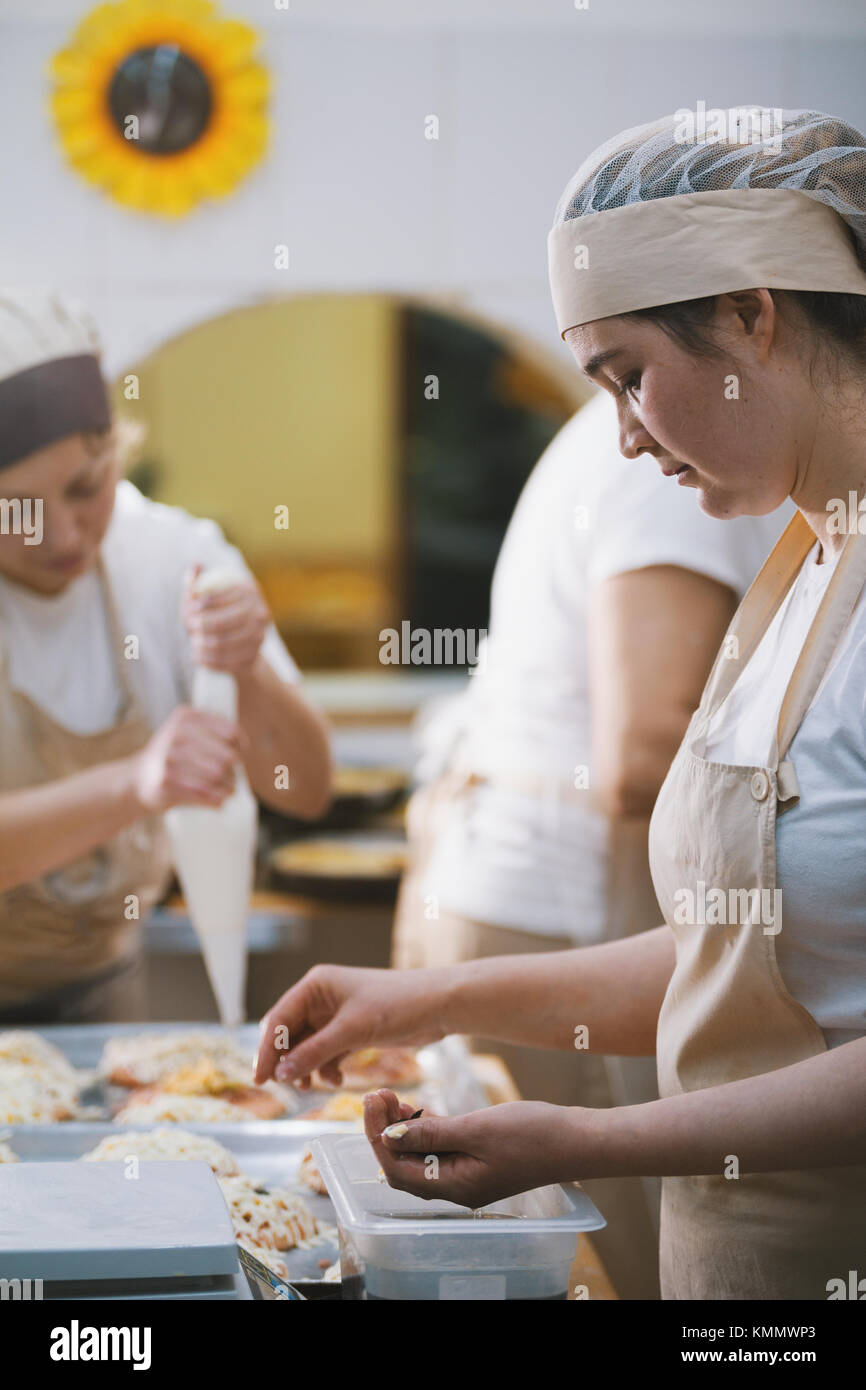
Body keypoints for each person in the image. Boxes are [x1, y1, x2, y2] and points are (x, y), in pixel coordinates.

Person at [257, 108, 866, 1301]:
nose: (626, 439)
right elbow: (739, 962)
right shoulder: (803, 568)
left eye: (630, 378)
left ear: (750, 310)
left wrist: (583, 1143)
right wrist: (427, 996)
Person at [391, 388, 791, 1297]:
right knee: (616, 1269)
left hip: (527, 898)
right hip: (567, 915)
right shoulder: (671, 470)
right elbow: (644, 754)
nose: (630, 422)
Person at [0, 286, 332, 1024]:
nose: (62, 537)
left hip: (101, 994)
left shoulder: (170, 561)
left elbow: (303, 789)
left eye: (87, 489)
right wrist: (135, 784)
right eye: (14, 512)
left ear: (118, 447)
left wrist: (246, 671)